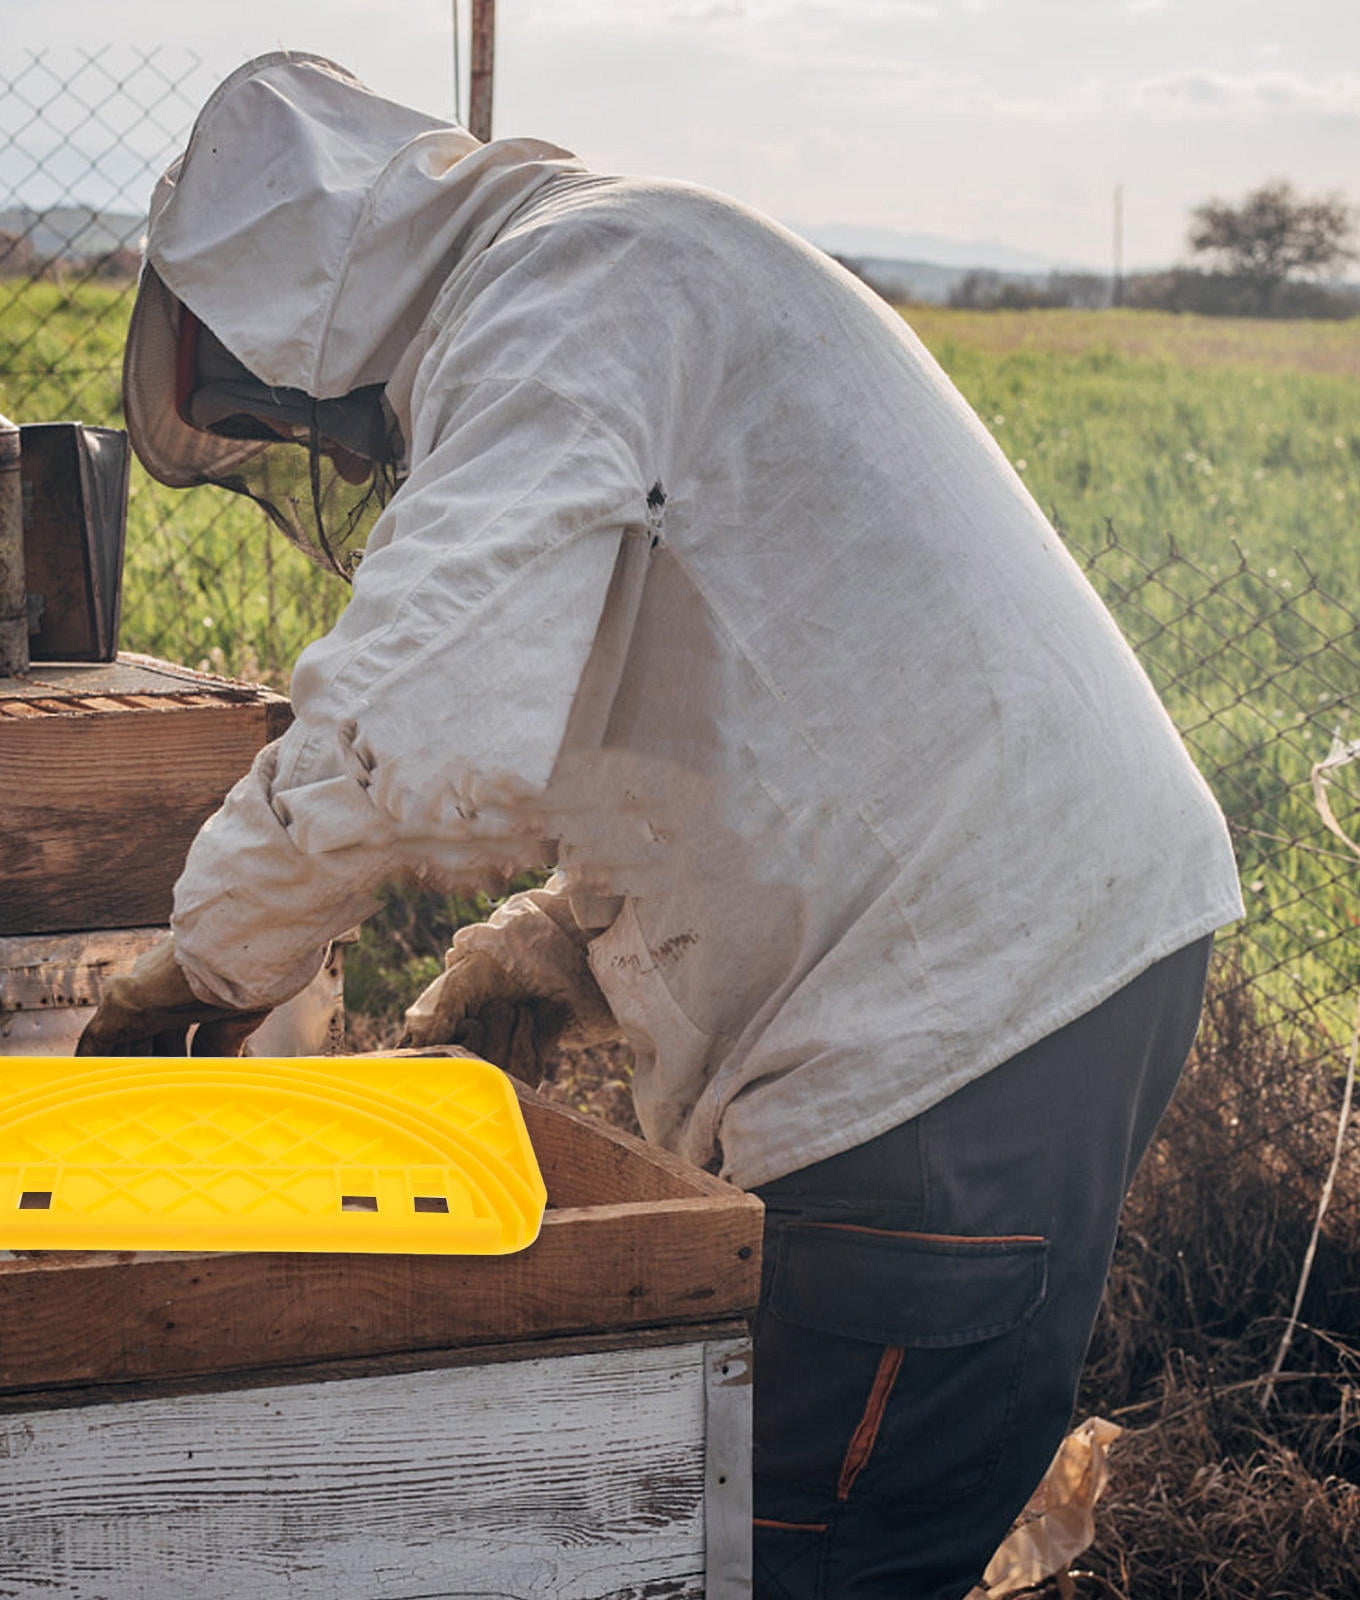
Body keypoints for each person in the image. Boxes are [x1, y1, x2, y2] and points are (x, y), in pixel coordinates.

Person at [78, 51, 1243, 1599]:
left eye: (266, 398)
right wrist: (551, 944)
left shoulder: (572, 293)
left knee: (792, 1553)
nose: (334, 451)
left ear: (315, 306)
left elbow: (394, 719)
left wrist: (207, 968)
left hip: (952, 1029)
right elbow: (743, 713)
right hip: (1021, 962)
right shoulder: (621, 271)